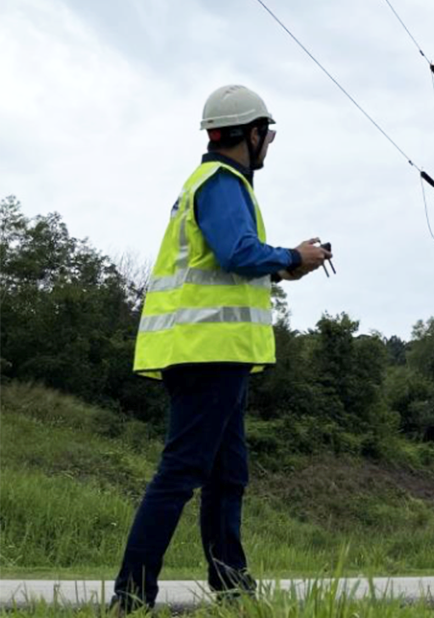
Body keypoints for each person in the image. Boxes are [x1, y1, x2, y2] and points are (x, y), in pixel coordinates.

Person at [110, 85, 331, 612]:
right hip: (207, 352)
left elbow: (235, 259)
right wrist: (292, 252)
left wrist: (286, 266)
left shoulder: (213, 183)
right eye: (268, 135)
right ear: (251, 134)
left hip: (216, 354)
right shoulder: (223, 182)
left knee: (227, 475)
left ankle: (233, 589)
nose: (269, 144)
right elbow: (237, 251)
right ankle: (131, 596)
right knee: (181, 472)